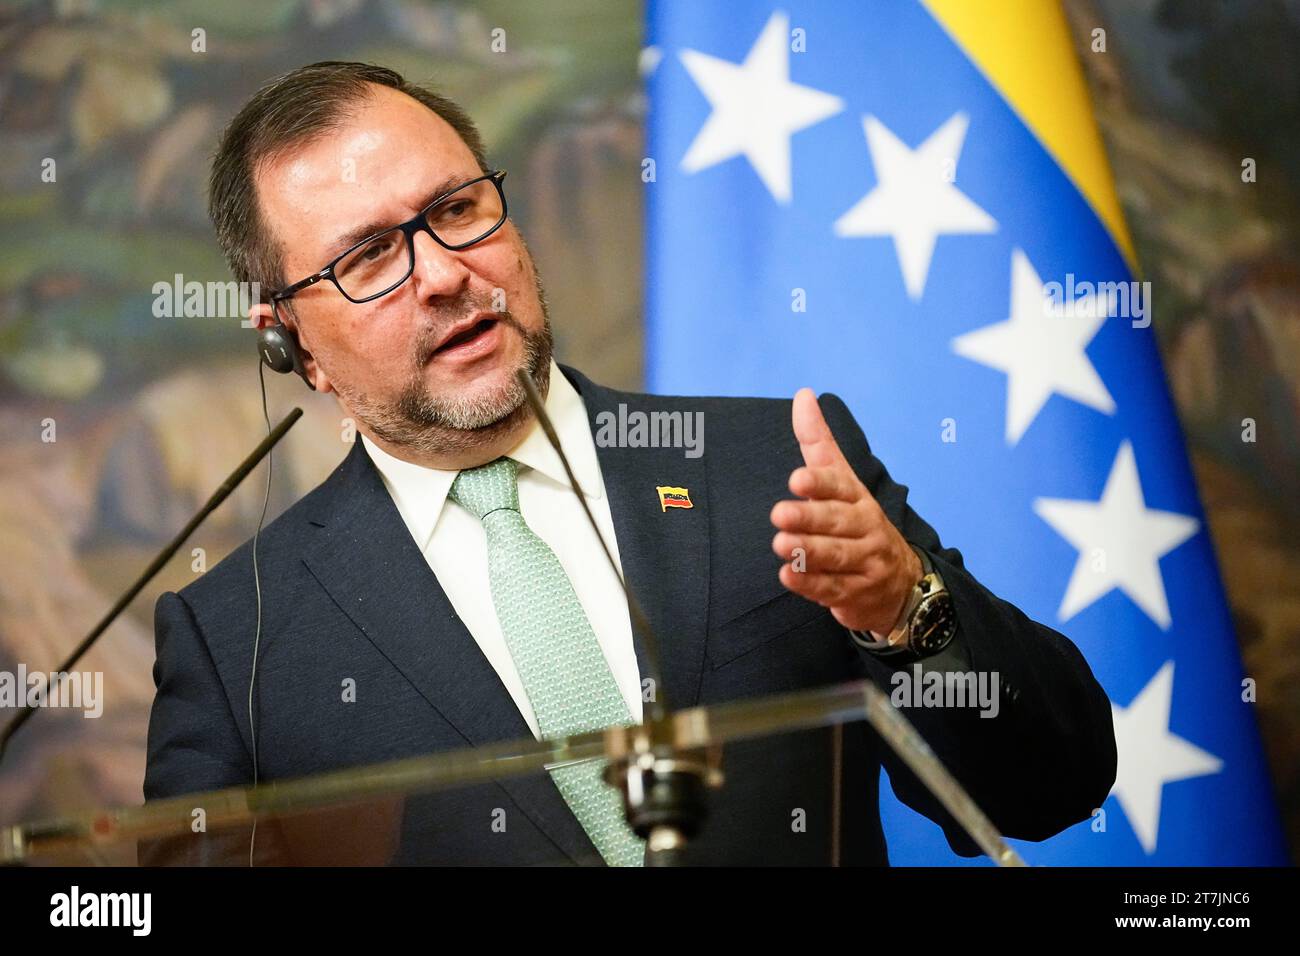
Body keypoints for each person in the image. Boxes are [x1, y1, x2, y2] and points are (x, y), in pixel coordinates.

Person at [143, 61, 1116, 866]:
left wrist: (906, 607)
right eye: (366, 257)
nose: (442, 271)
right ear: (290, 345)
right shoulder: (238, 642)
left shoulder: (770, 463)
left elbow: (1052, 784)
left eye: (455, 207)